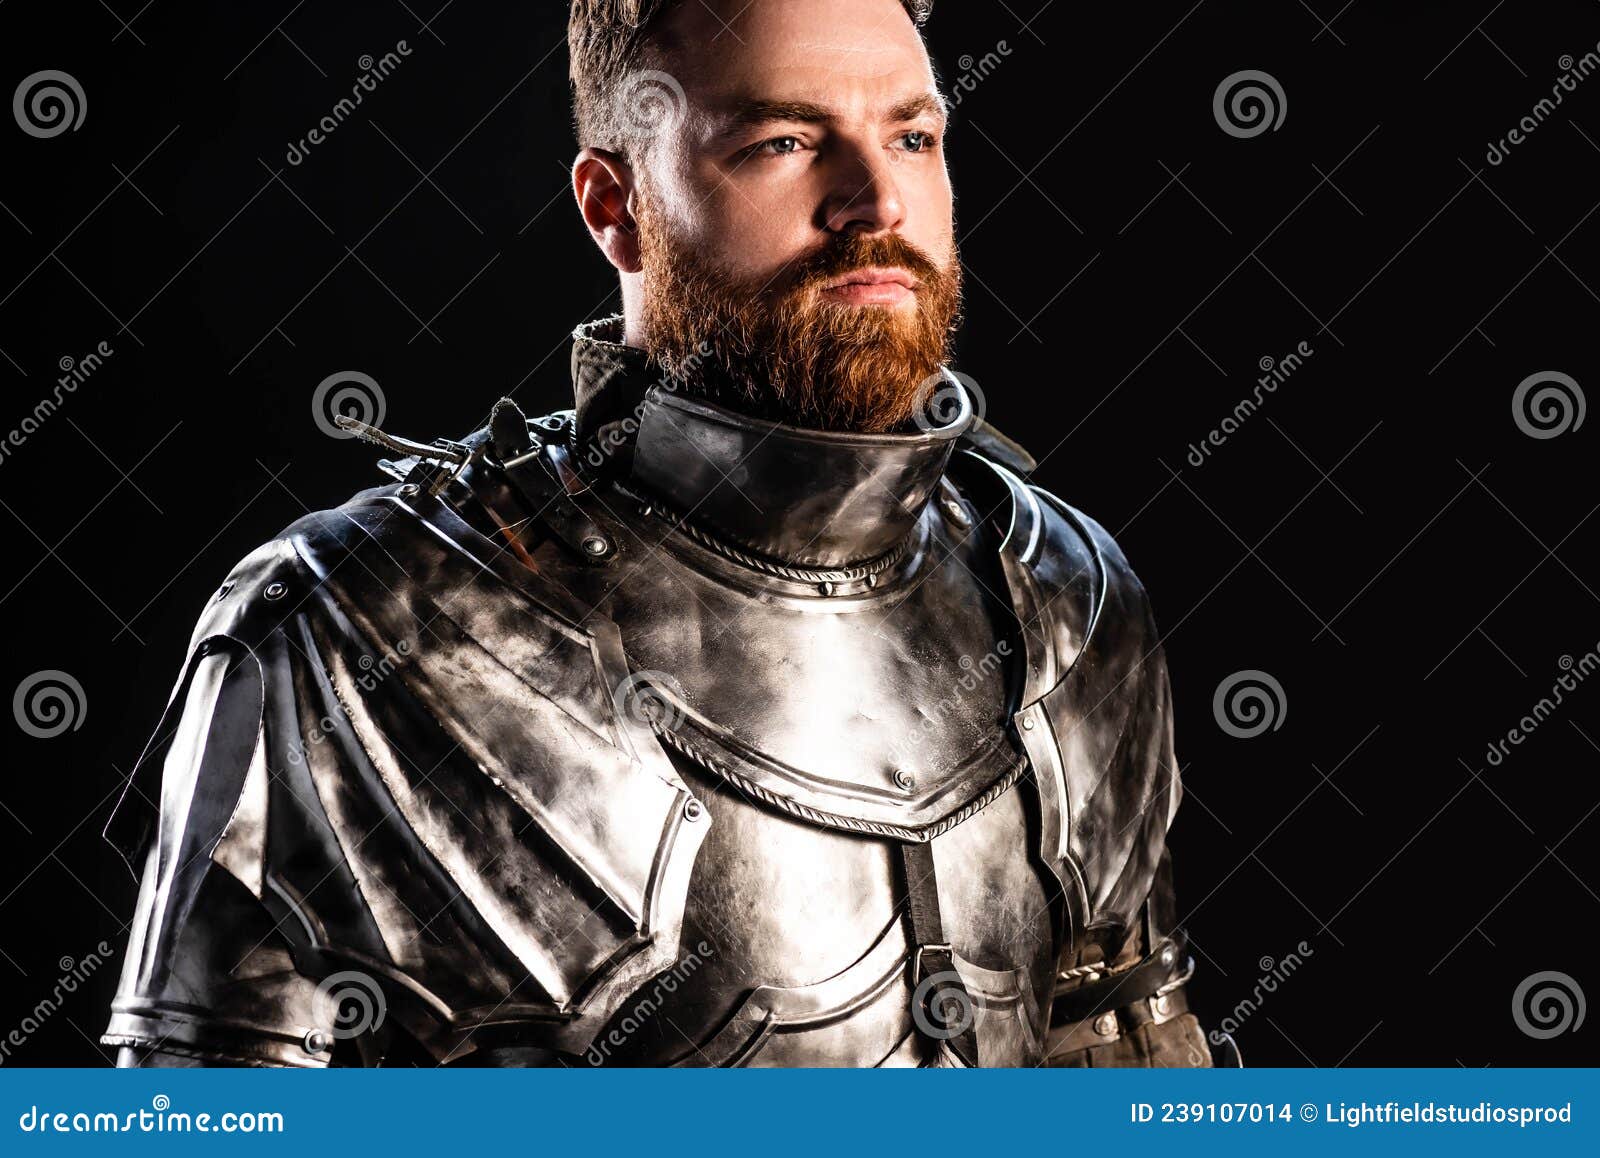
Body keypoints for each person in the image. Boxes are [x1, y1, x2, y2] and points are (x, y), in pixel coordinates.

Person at [102, 0, 1218, 1067]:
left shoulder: (1064, 597)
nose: (877, 203)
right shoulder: (353, 626)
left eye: (914, 136)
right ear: (614, 207)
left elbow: (1126, 1059)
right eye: (784, 142)